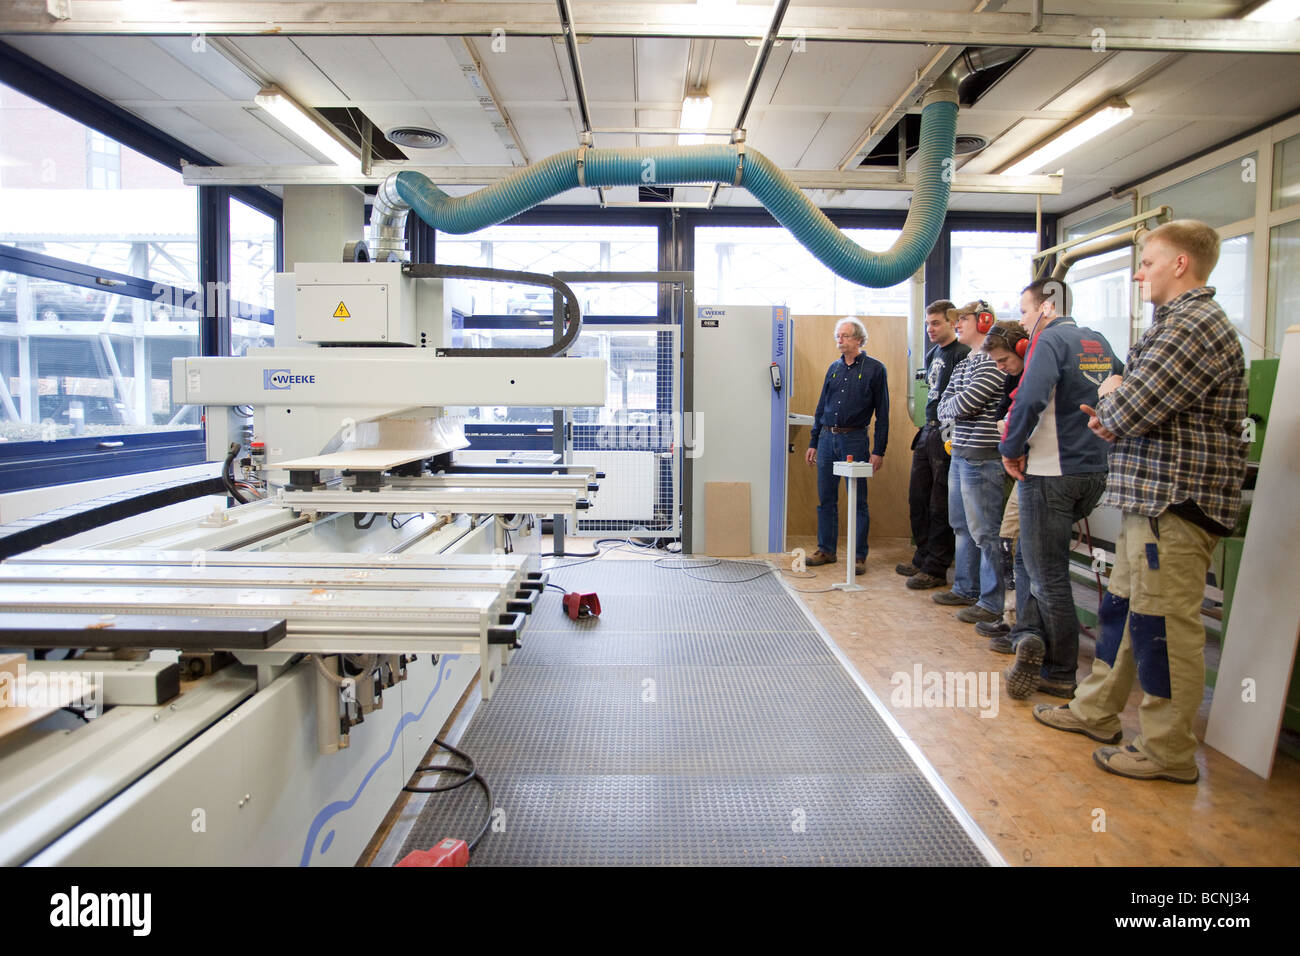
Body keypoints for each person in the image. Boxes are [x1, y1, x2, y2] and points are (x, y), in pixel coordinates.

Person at [1034, 220, 1248, 784]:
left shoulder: (1194, 327)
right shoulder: (1171, 325)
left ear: (1181, 263)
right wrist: (1115, 402)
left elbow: (1125, 411)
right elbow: (1125, 408)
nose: (1138, 272)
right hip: (1150, 503)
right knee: (1124, 613)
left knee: (1163, 627)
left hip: (1176, 504)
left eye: (1148, 261)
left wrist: (1111, 399)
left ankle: (1167, 750)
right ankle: (1097, 712)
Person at [998, 279, 1122, 700]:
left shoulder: (1049, 342)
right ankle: (1029, 637)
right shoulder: (1098, 342)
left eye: (1025, 311)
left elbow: (1030, 399)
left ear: (1047, 309)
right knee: (1039, 563)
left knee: (1046, 573)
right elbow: (1122, 379)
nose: (1022, 321)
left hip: (1051, 471)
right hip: (1094, 471)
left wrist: (1010, 448)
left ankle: (1059, 670)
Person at [930, 301, 1007, 625]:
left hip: (983, 458)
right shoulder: (964, 363)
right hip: (960, 453)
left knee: (986, 532)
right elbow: (943, 405)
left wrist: (955, 407)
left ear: (984, 321)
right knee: (962, 526)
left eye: (963, 319)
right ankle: (966, 587)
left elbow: (967, 402)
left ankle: (991, 602)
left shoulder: (991, 362)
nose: (957, 324)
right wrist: (955, 407)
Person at [805, 317, 889, 575]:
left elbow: (883, 413)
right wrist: (814, 441)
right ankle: (826, 549)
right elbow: (821, 408)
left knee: (857, 499)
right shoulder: (833, 368)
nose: (839, 340)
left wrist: (879, 450)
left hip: (854, 440)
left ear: (859, 340)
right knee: (826, 497)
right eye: (837, 336)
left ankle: (858, 556)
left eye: (845, 336)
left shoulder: (875, 369)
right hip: (828, 439)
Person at [899, 299, 966, 589]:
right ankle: (923, 556)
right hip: (928, 430)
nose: (930, 328)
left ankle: (937, 567)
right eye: (927, 323)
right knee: (918, 498)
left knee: (940, 503)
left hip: (948, 433)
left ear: (953, 323)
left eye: (936, 323)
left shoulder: (962, 354)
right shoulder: (933, 354)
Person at [975, 319, 1031, 644]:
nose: (1001, 368)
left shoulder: (1035, 375)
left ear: (1022, 348)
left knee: (1026, 553)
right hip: (1022, 469)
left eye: (1004, 360)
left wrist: (1008, 436)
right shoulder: (1015, 377)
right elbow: (1004, 412)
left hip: (1040, 472)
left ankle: (1023, 626)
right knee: (1008, 539)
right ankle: (1012, 618)